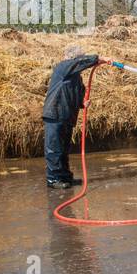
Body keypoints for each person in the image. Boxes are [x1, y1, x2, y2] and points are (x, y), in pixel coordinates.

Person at [42, 46, 99, 189]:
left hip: (67, 116)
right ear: (73, 59)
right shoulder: (63, 68)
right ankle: (53, 179)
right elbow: (79, 63)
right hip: (55, 113)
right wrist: (99, 59)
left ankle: (65, 177)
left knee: (63, 149)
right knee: (53, 149)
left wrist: (82, 103)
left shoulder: (76, 78)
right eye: (79, 58)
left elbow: (77, 96)